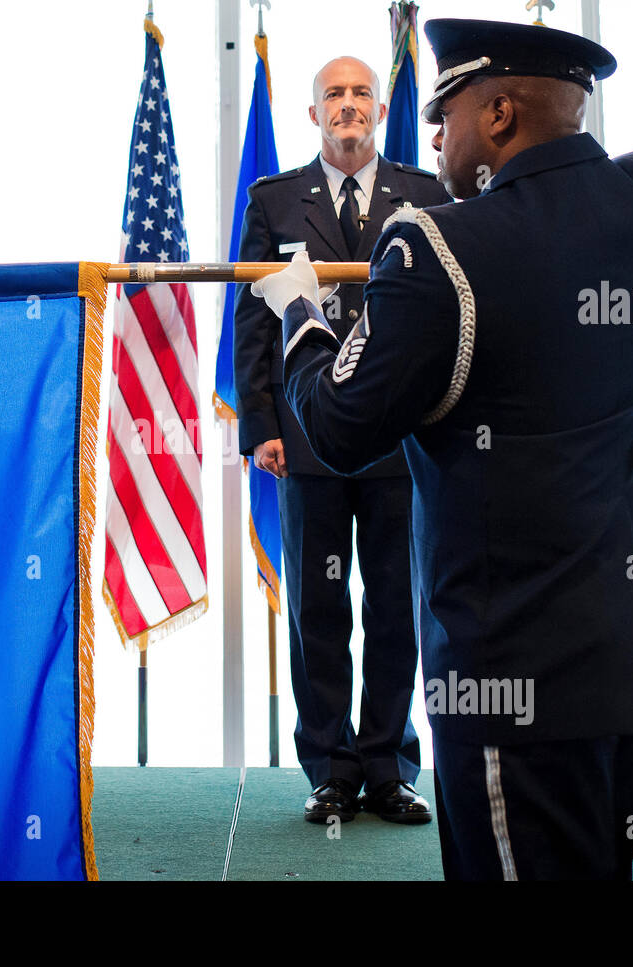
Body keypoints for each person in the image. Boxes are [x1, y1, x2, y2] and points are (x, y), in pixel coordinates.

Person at [253, 18, 633, 877]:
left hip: (517, 676)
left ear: (500, 114)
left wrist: (299, 314)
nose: (433, 134)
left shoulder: (438, 249)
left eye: (447, 110)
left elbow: (337, 425)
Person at [232, 55, 450, 824]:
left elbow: (445, 313)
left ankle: (389, 768)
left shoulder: (426, 196)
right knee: (318, 609)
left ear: (381, 108)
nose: (348, 105)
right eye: (335, 94)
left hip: (401, 437)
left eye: (361, 93)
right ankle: (331, 770)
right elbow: (255, 316)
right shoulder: (275, 198)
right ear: (314, 112)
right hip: (307, 433)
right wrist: (259, 425)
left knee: (397, 606)